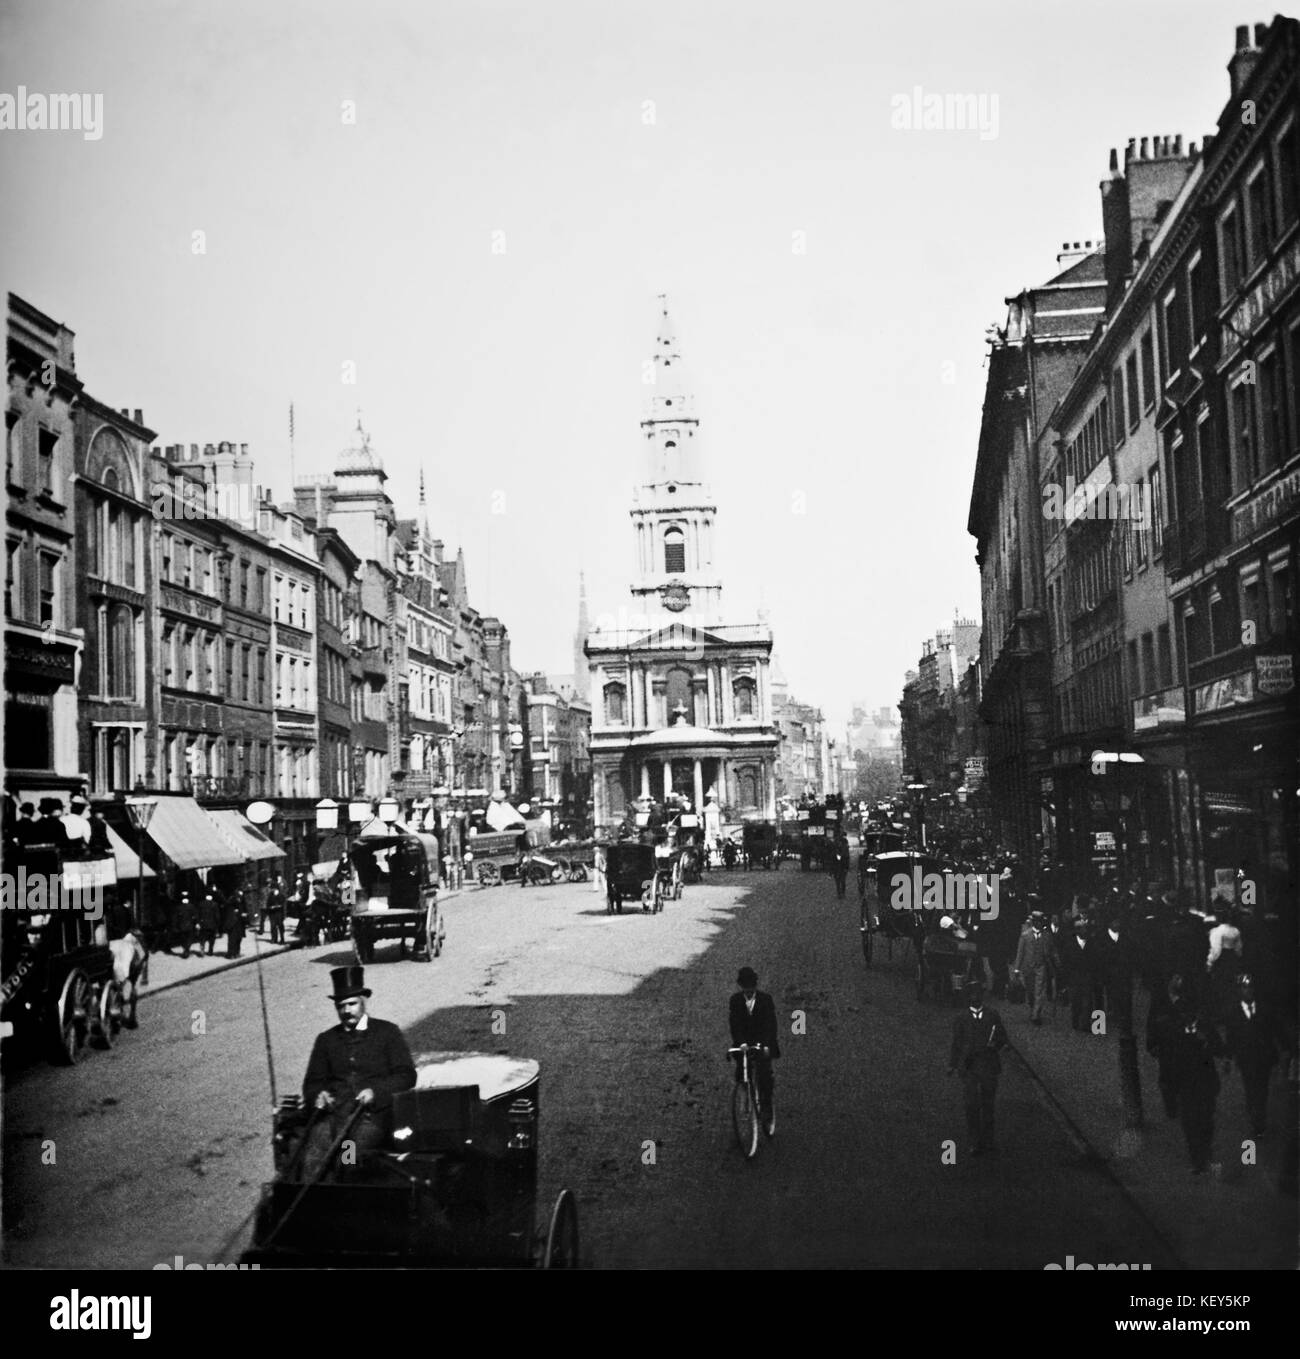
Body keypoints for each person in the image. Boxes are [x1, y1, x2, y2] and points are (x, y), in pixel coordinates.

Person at [300, 966, 416, 1180]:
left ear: (364, 1001)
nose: (347, 1011)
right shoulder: (326, 1040)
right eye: (341, 1006)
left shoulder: (387, 1032)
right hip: (333, 1116)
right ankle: (313, 1209)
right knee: (311, 1157)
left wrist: (376, 1091)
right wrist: (319, 1095)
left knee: (348, 1158)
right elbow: (312, 1082)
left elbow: (406, 1075)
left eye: (352, 1004)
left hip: (370, 1118)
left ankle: (346, 1205)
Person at [948, 980, 1006, 1155]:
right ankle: (974, 1140)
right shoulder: (961, 1019)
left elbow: (1002, 1038)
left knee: (988, 1105)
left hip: (988, 1064)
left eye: (978, 994)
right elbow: (956, 1043)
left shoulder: (993, 1015)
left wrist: (996, 1045)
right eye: (972, 994)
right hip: (969, 1067)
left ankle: (988, 1140)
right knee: (971, 1104)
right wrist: (952, 1064)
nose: (975, 997)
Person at [1224, 973, 1285, 1139]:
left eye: (1250, 987)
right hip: (1246, 1059)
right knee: (1251, 1088)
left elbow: (1275, 1030)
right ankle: (1254, 1113)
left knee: (1262, 1089)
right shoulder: (1233, 1012)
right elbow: (1231, 1037)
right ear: (1239, 990)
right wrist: (1228, 1057)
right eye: (1244, 987)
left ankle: (1260, 1120)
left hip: (1263, 1058)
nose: (1248, 990)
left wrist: (1286, 1048)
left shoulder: (1265, 1009)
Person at [728, 966, 780, 1137]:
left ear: (755, 985)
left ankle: (767, 1109)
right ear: (741, 986)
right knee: (741, 1073)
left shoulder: (765, 1000)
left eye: (751, 987)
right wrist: (741, 1042)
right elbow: (735, 1024)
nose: (748, 990)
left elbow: (770, 1025)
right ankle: (744, 1100)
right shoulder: (735, 1001)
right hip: (744, 1043)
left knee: (764, 1076)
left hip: (762, 1043)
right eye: (745, 987)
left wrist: (765, 1044)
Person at [1012, 903, 1058, 1026]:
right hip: (1027, 967)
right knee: (1030, 991)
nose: (1039, 923)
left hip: (1040, 966)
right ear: (1033, 922)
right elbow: (1020, 953)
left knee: (1039, 991)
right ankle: (1033, 1006)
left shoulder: (1047, 936)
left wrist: (1056, 962)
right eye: (1036, 921)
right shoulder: (1025, 936)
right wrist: (1016, 969)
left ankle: (1036, 1015)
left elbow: (1052, 950)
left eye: (1040, 921)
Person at [197, 888, 221, 956]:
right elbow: (217, 916)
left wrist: (198, 923)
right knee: (211, 939)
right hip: (212, 924)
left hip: (203, 924)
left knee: (203, 938)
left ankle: (202, 950)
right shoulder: (214, 904)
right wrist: (218, 924)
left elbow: (198, 914)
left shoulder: (201, 904)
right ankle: (210, 950)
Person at [265, 875, 286, 944]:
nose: (272, 890)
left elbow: (283, 904)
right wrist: (270, 908)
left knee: (280, 927)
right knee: (273, 927)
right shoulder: (270, 896)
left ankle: (282, 939)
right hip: (272, 914)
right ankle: (274, 939)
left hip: (279, 913)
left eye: (273, 889)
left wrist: (279, 907)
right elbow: (268, 904)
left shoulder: (281, 895)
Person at [830, 833, 850, 900]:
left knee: (841, 881)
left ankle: (842, 893)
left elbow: (846, 857)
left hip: (841, 865)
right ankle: (840, 893)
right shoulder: (834, 848)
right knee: (839, 881)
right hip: (837, 866)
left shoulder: (844, 847)